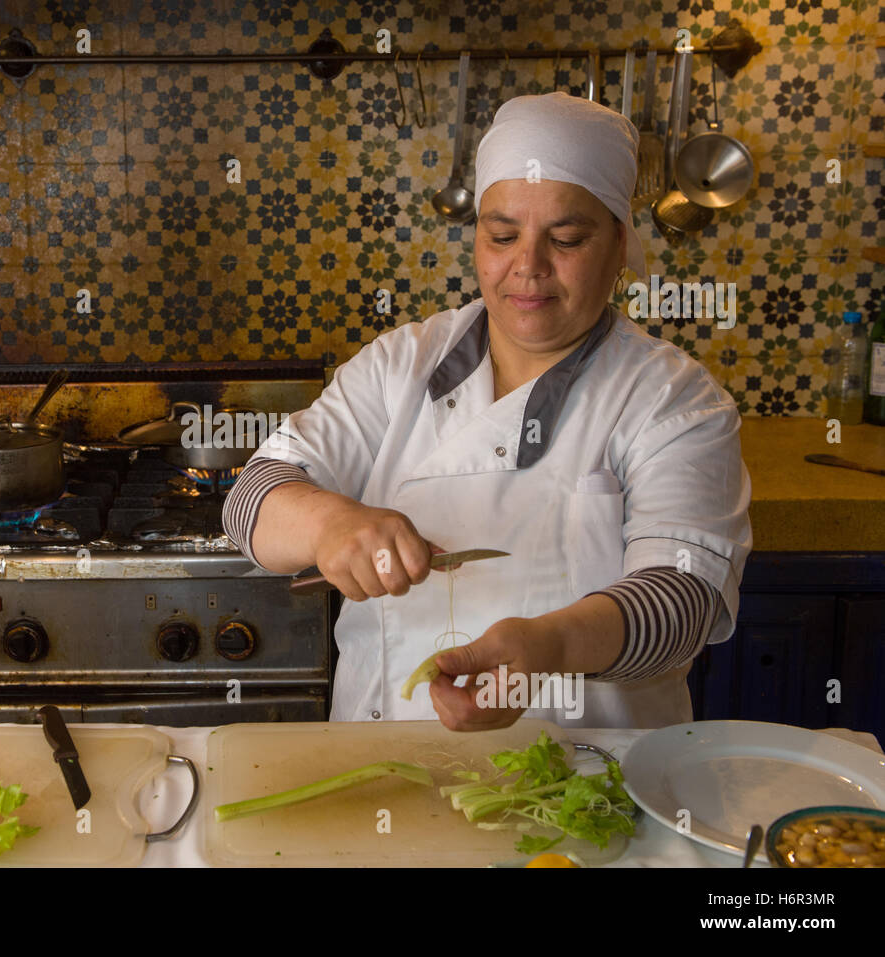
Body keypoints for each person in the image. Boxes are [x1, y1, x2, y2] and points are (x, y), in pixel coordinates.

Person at [222, 91, 752, 731]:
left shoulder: (672, 399)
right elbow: (249, 498)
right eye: (502, 235)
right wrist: (328, 522)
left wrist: (549, 649)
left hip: (588, 788)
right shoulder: (400, 366)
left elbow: (682, 600)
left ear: (619, 245)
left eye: (566, 238)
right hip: (385, 777)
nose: (527, 267)